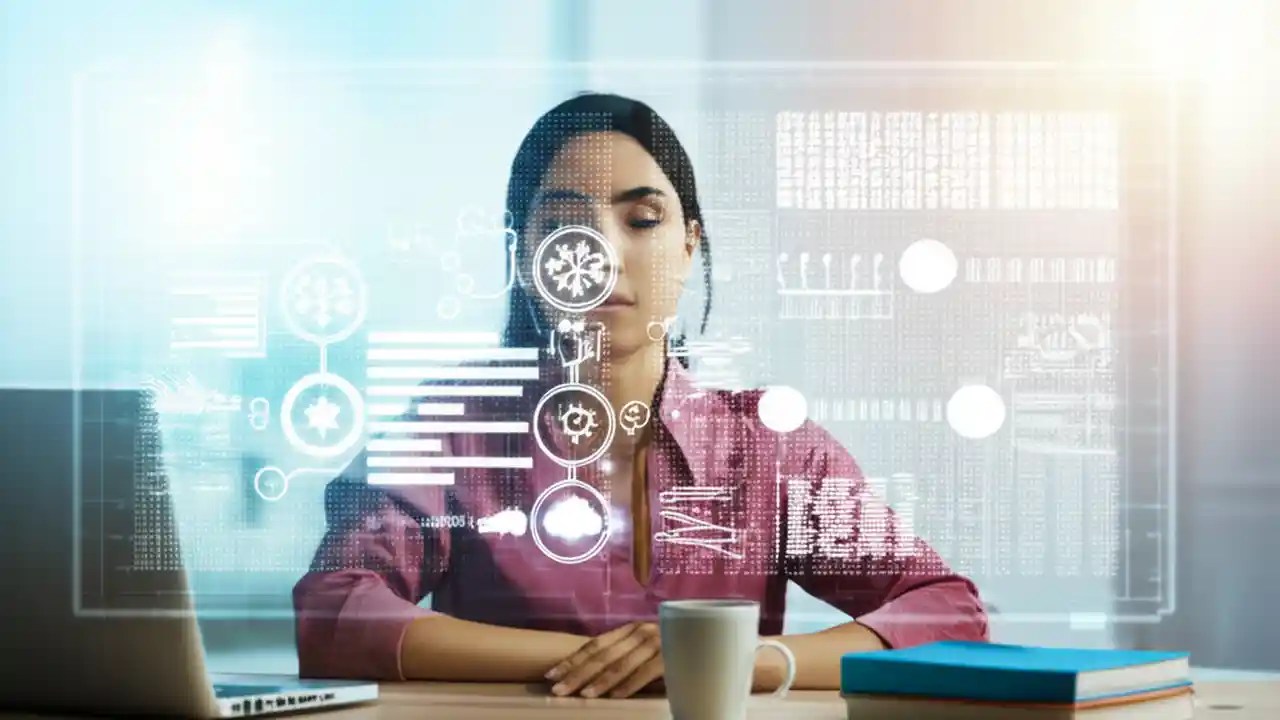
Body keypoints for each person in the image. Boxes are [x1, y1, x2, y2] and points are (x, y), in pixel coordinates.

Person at [294, 93, 987, 699]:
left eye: (643, 219)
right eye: (565, 222)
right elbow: (332, 612)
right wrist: (610, 662)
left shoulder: (773, 448)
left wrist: (748, 660)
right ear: (523, 253)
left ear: (690, 247)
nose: (600, 254)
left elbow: (946, 611)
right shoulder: (451, 429)